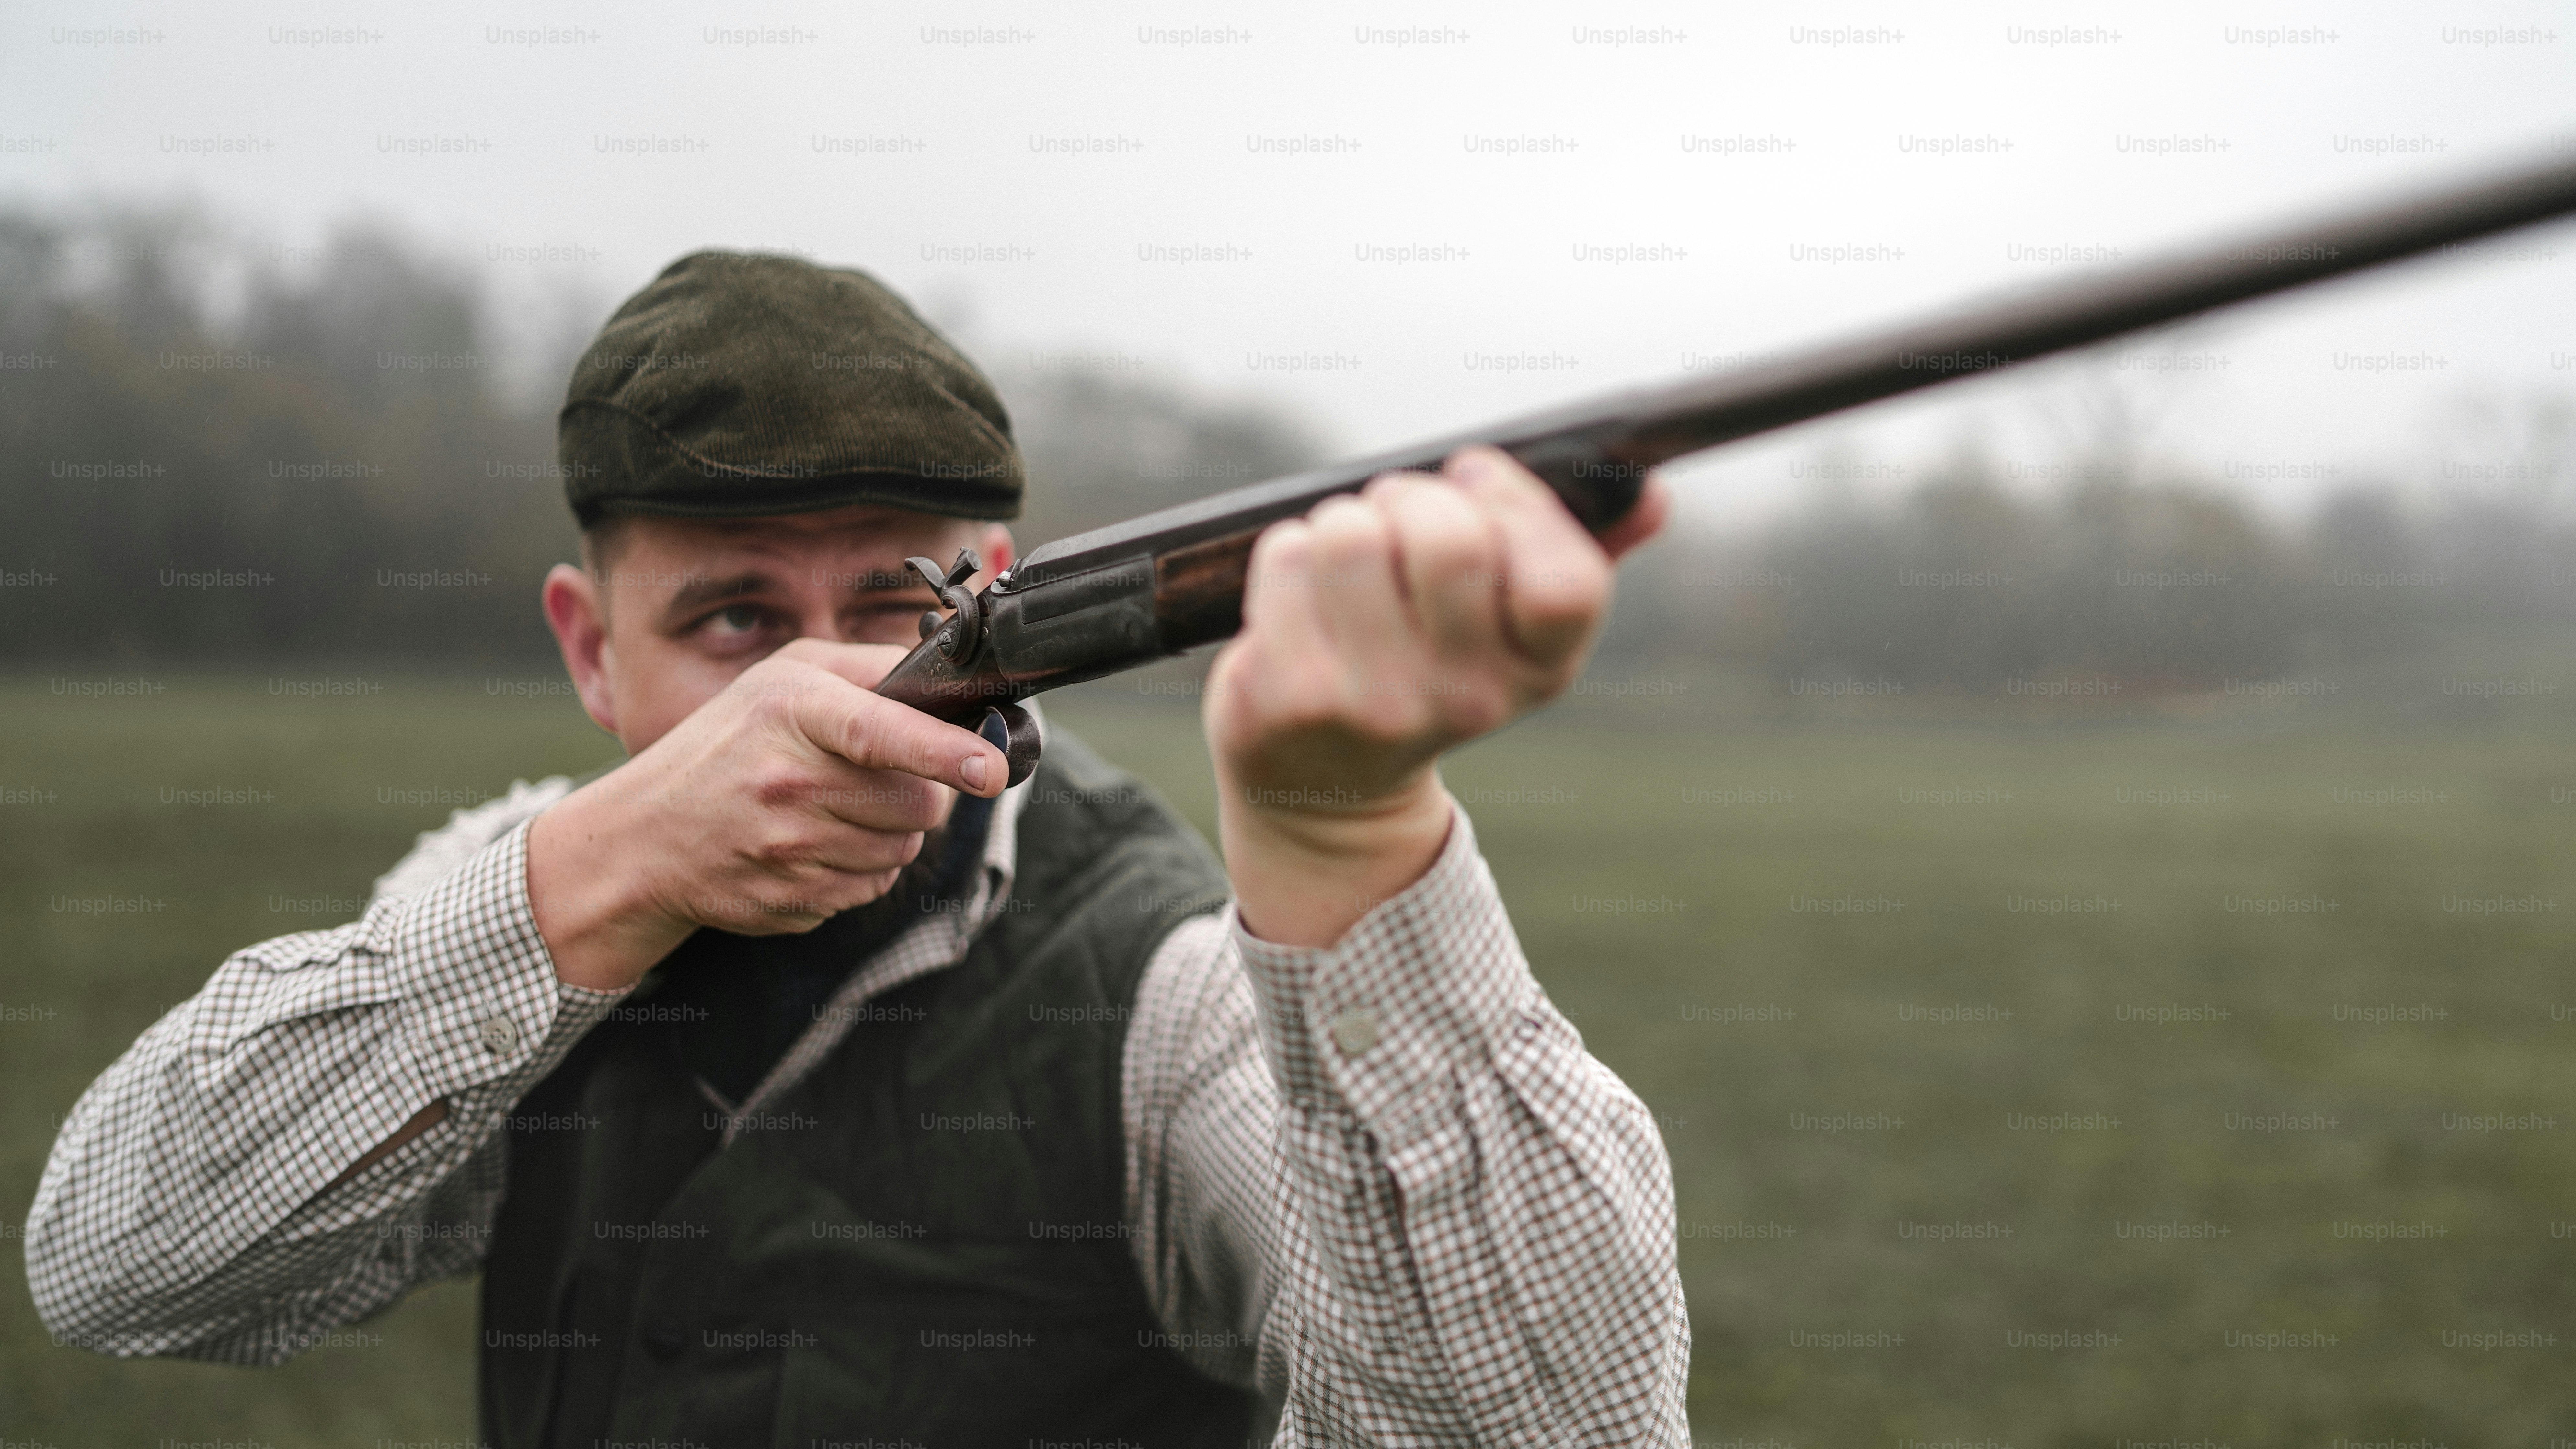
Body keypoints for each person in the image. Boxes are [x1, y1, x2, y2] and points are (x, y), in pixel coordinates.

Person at [27, 251, 1689, 1444]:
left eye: (901, 606)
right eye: (735, 619)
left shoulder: (1163, 990)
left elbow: (1553, 1430)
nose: (822, 690)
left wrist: (1349, 834)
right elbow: (122, 1266)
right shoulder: (515, 897)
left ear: (999, 593)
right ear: (591, 652)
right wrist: (597, 879)